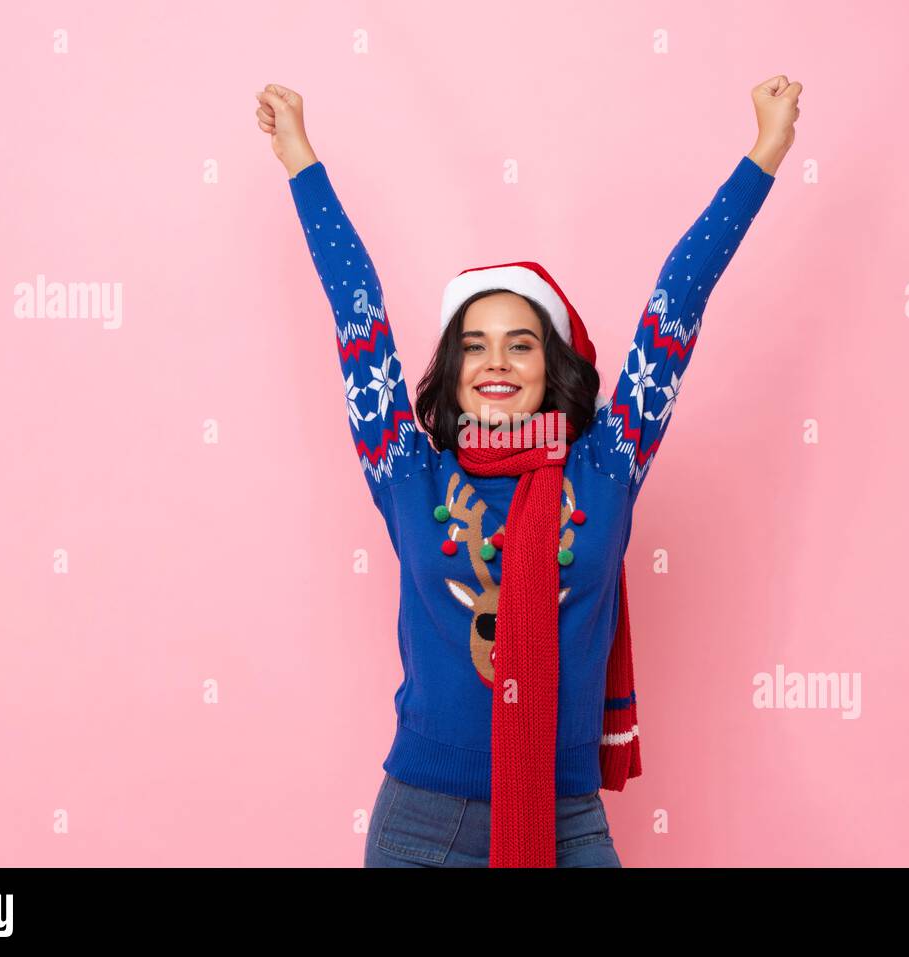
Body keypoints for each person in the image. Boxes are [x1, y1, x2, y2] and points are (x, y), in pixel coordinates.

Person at [255, 77, 799, 867]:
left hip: (566, 821)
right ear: (452, 371)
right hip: (421, 829)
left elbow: (677, 300)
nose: (497, 362)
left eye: (521, 343)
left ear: (553, 368)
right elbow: (355, 307)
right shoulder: (408, 470)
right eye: (474, 345)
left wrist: (765, 153)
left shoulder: (607, 466)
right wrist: (302, 160)